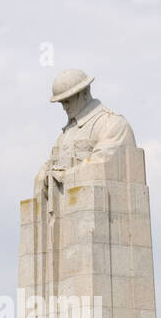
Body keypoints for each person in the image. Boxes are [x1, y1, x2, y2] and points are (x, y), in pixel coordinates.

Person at [35, 69, 136, 212]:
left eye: (68, 101)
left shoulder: (112, 123)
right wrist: (43, 176)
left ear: (84, 93)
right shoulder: (65, 135)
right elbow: (50, 164)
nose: (64, 107)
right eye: (62, 102)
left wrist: (64, 176)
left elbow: (102, 165)